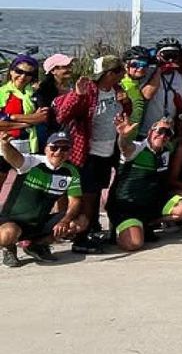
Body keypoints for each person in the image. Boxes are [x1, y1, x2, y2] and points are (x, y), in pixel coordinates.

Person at [54, 55, 129, 253]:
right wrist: (77, 94)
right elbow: (63, 114)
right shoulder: (88, 91)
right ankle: (80, 238)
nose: (123, 74)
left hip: (109, 150)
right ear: (110, 73)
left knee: (96, 193)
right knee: (86, 196)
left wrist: (126, 101)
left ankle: (91, 229)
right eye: (120, 71)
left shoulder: (117, 90)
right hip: (87, 153)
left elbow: (124, 114)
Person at [107, 115, 182, 251]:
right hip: (127, 206)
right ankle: (118, 229)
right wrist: (123, 136)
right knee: (134, 244)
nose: (163, 135)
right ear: (150, 132)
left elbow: (181, 141)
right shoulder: (137, 148)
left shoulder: (166, 150)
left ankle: (147, 224)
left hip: (151, 204)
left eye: (167, 133)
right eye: (159, 131)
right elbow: (125, 147)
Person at [0, 131, 85, 267]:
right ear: (46, 149)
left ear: (70, 152)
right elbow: (14, 158)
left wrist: (65, 220)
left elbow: (75, 201)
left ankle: (37, 245)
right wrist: (5, 144)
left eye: (64, 148)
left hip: (39, 222)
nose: (58, 152)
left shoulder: (71, 171)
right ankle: (9, 248)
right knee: (7, 234)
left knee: (80, 221)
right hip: (13, 221)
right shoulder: (32, 162)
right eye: (54, 147)